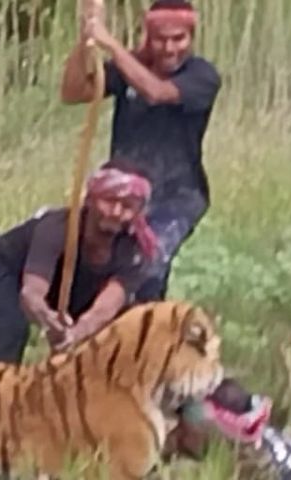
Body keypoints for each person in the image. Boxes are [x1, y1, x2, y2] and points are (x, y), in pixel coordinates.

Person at [59, 0, 221, 303]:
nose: (170, 48)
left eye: (179, 38)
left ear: (191, 38)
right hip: (122, 193)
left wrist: (110, 43)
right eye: (161, 39)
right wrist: (87, 39)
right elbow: (73, 92)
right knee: (89, 265)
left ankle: (149, 341)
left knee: (146, 269)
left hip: (176, 196)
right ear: (149, 36)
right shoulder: (131, 66)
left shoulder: (202, 75)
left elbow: (157, 93)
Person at [0, 160, 157, 364]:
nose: (116, 212)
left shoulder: (135, 251)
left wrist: (76, 333)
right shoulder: (58, 229)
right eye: (109, 201)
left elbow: (105, 308)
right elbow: (32, 293)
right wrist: (49, 320)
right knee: (14, 328)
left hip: (70, 281)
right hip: (7, 267)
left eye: (127, 207)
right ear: (90, 199)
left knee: (117, 330)